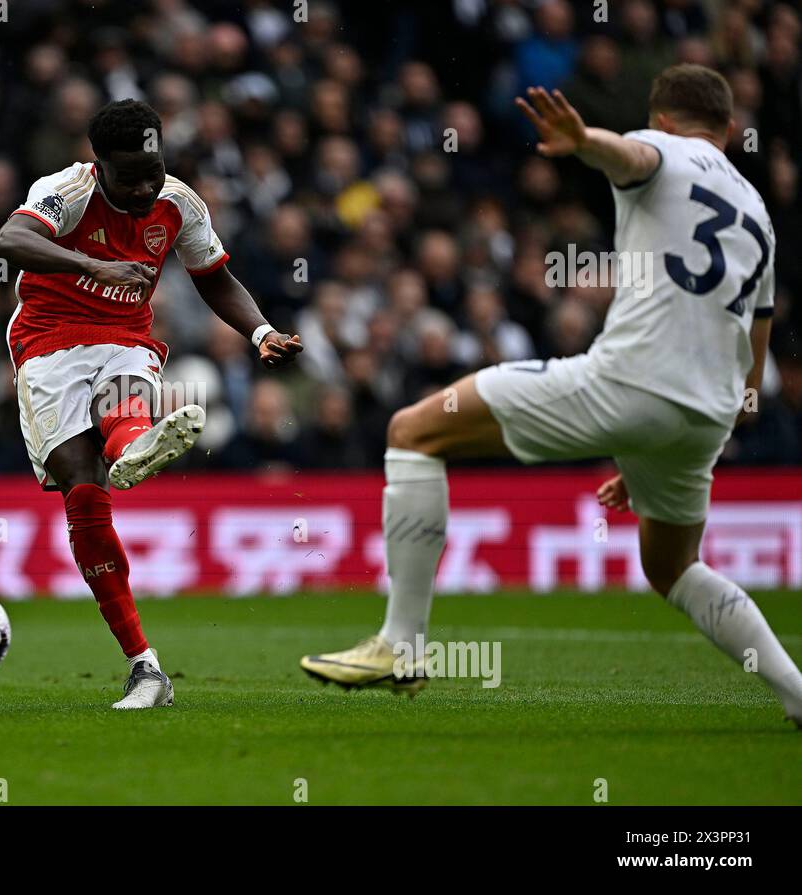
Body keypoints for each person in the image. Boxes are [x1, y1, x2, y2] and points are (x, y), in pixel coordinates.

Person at [301, 66, 802, 728]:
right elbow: (755, 348)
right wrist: (669, 437)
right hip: (705, 413)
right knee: (673, 566)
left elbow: (632, 157)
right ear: (731, 130)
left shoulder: (662, 149)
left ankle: (402, 644)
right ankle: (797, 693)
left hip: (629, 382)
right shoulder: (760, 216)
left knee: (414, 431)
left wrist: (585, 139)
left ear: (661, 119)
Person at [0, 99, 301, 709]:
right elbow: (10, 238)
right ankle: (144, 663)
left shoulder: (179, 203)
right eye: (128, 177)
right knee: (81, 489)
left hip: (126, 335)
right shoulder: (66, 191)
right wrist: (90, 262)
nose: (143, 189)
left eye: (152, 174)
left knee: (125, 394)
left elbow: (212, 275)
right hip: (48, 340)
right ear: (99, 164)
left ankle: (133, 441)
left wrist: (261, 331)